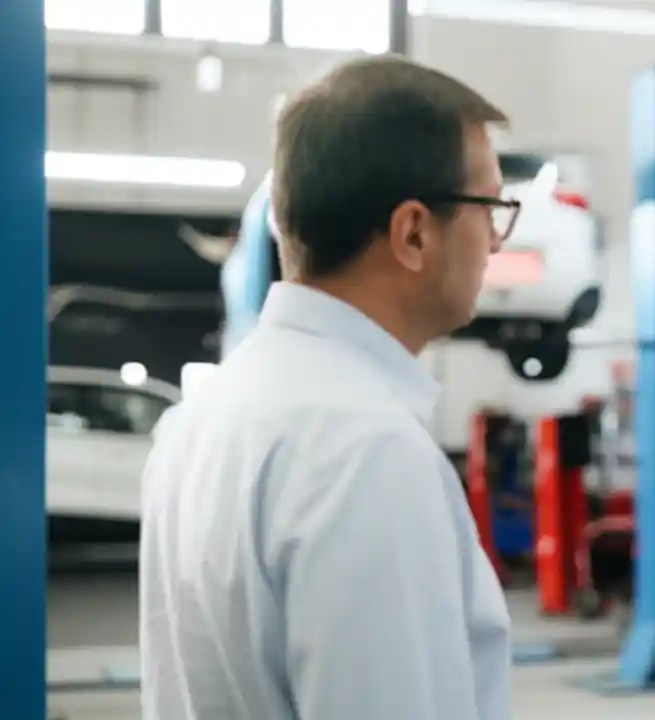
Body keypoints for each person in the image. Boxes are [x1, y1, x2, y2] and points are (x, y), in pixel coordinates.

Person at [139, 56, 519, 720]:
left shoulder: (199, 418)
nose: (494, 239)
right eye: (490, 206)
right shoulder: (366, 452)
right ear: (413, 232)